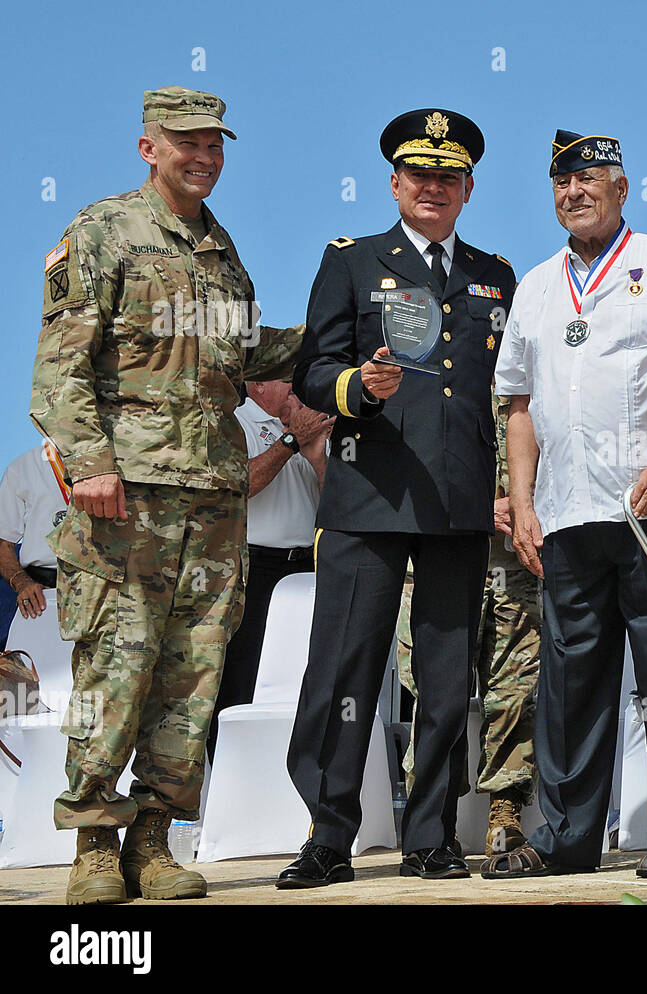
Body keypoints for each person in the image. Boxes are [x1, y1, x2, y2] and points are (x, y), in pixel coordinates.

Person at [29, 86, 304, 905]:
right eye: (188, 143)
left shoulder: (223, 252)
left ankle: (153, 842)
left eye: (215, 144)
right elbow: (60, 368)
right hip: (127, 498)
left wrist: (341, 326)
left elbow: (247, 355)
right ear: (149, 147)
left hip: (214, 499)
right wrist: (91, 463)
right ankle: (93, 846)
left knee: (192, 674)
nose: (204, 157)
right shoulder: (103, 229)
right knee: (115, 667)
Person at [484, 130, 647, 880]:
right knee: (569, 683)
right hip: (566, 514)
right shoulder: (535, 285)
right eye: (562, 183)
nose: (574, 193)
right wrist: (522, 500)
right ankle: (565, 837)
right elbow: (518, 407)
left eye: (589, 179)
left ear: (622, 189)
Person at [278, 108, 515, 888]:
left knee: (446, 678)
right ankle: (328, 835)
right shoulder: (351, 261)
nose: (432, 187)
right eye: (419, 174)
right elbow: (314, 371)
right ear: (394, 183)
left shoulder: (495, 275)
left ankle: (431, 835)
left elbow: (509, 389)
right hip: (368, 494)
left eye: (448, 177)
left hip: (456, 500)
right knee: (343, 670)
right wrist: (359, 386)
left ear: (468, 189)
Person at [395, 391, 541, 854]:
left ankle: (505, 813)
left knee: (514, 694)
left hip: (516, 563)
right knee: (435, 693)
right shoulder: (424, 365)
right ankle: (435, 823)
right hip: (438, 557)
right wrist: (478, 507)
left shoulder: (532, 373)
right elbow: (403, 461)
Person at [205, 382, 332, 761]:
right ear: (258, 384)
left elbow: (335, 504)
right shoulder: (235, 421)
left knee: (300, 675)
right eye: (285, 377)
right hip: (253, 567)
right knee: (241, 677)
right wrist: (290, 441)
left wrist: (317, 456)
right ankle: (229, 769)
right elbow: (240, 485)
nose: (296, 385)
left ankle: (289, 767)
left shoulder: (302, 425)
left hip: (307, 566)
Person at [0, 442, 70, 642]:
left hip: (104, 592)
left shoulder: (118, 464)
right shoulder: (22, 469)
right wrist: (23, 583)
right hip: (43, 596)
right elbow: (3, 544)